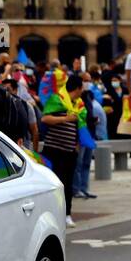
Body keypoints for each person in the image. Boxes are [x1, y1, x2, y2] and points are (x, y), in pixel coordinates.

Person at [41, 74, 87, 228]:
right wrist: (65, 119)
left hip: (69, 152)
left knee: (67, 184)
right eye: (82, 88)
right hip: (54, 150)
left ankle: (67, 214)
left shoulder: (79, 105)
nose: (83, 91)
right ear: (78, 88)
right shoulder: (57, 99)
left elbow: (80, 126)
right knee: (53, 184)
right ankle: (52, 213)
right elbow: (45, 118)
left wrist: (77, 145)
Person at [73, 72, 102, 200]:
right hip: (81, 133)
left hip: (90, 132)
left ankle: (84, 188)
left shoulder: (88, 95)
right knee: (78, 163)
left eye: (89, 80)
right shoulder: (76, 98)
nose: (88, 83)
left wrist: (93, 120)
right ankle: (76, 189)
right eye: (85, 80)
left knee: (86, 163)